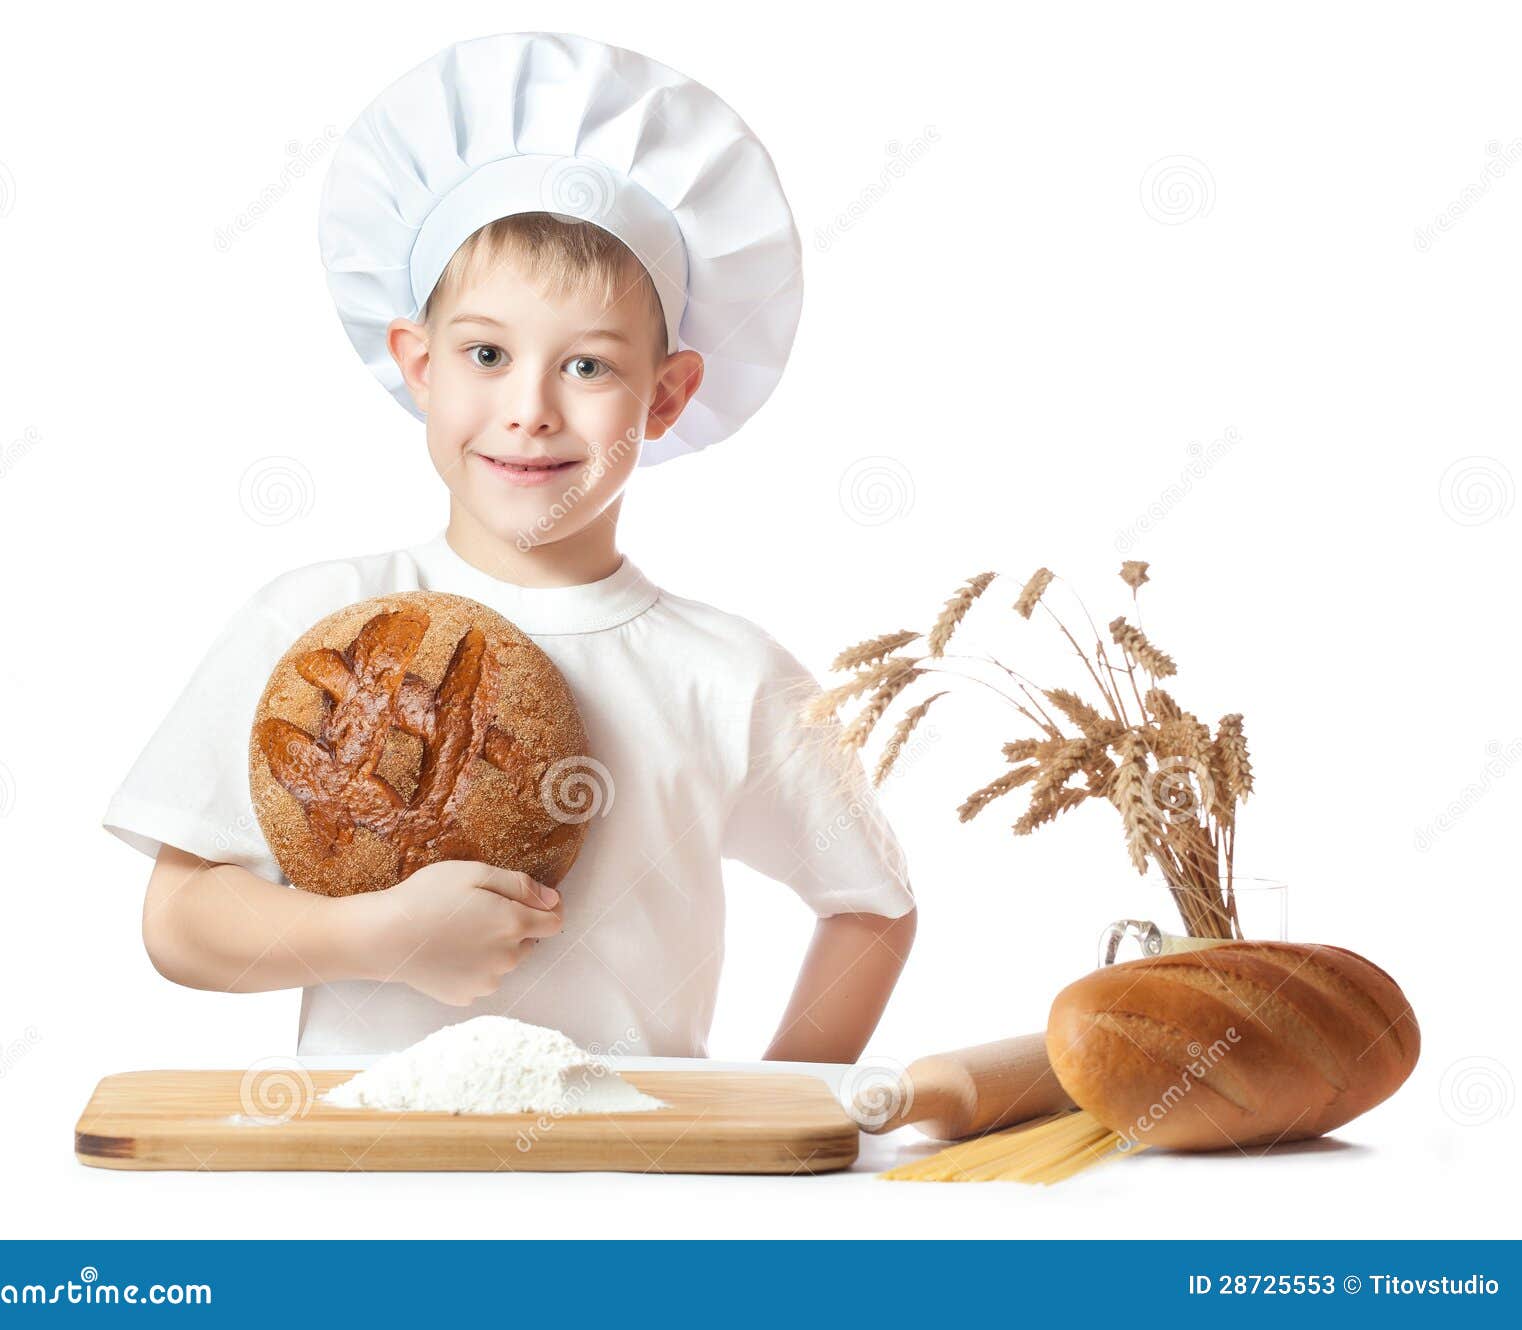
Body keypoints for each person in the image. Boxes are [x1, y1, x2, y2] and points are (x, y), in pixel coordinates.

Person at [102, 32, 916, 1060]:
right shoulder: (312, 625)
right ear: (418, 364)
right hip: (363, 1193)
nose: (528, 410)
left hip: (632, 1205)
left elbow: (872, 906)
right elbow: (178, 924)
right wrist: (377, 937)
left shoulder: (729, 674)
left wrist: (771, 1121)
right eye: (486, 352)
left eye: (587, 364)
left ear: (666, 396)